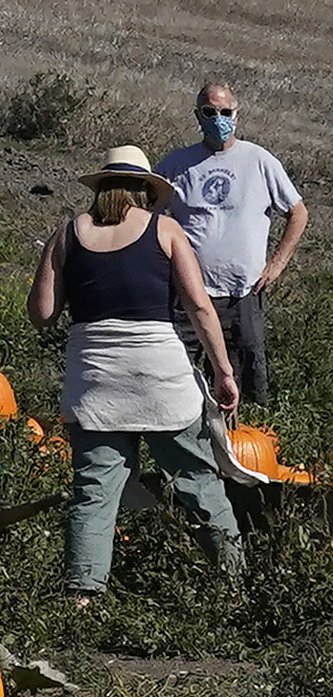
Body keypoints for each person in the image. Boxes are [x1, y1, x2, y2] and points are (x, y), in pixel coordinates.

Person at [24, 147, 241, 605]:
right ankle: (236, 586)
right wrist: (224, 371)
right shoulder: (166, 230)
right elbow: (200, 307)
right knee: (197, 481)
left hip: (96, 382)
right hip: (160, 379)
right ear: (145, 191)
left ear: (100, 188)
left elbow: (41, 314)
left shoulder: (67, 234)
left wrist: (54, 260)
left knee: (95, 492)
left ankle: (82, 597)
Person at [156, 79, 305, 409]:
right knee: (175, 376)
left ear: (237, 115)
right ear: (198, 115)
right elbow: (148, 213)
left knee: (243, 382)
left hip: (243, 292)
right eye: (210, 112)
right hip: (188, 294)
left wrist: (277, 264)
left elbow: (297, 212)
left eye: (225, 112)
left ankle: (240, 435)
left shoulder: (259, 161)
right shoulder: (177, 165)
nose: (218, 119)